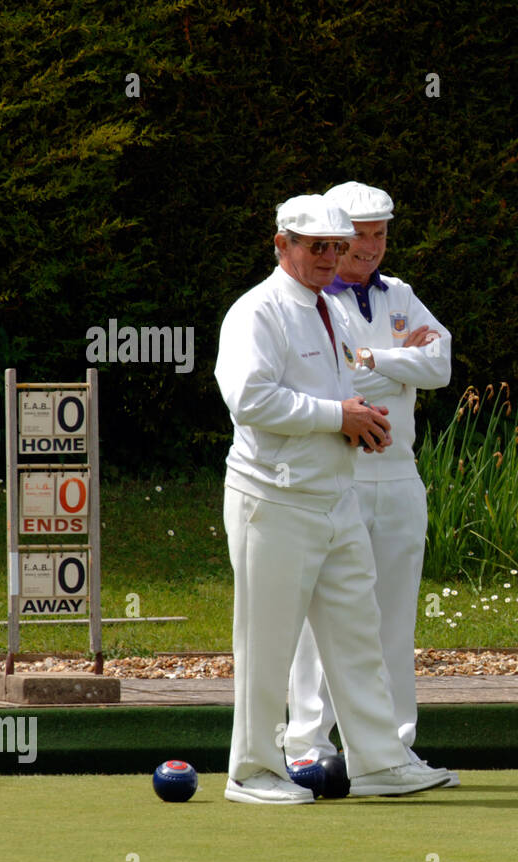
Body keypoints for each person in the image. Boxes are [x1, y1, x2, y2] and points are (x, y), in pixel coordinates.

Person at [215, 193, 450, 804]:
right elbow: (251, 399)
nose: (328, 257)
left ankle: (378, 762)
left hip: (336, 496)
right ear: (282, 245)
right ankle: (252, 770)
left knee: (358, 634)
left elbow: (351, 382)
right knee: (267, 640)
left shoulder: (334, 313)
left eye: (336, 247)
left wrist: (362, 418)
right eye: (315, 246)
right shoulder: (256, 312)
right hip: (275, 498)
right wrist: (337, 414)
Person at [285, 182, 458, 785]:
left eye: (381, 233)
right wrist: (392, 363)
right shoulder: (312, 302)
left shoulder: (402, 295)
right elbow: (337, 387)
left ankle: (391, 750)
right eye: (359, 233)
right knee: (323, 614)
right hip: (343, 473)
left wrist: (376, 361)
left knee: (393, 616)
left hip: (400, 473)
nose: (370, 245)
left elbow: (442, 363)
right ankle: (306, 743)